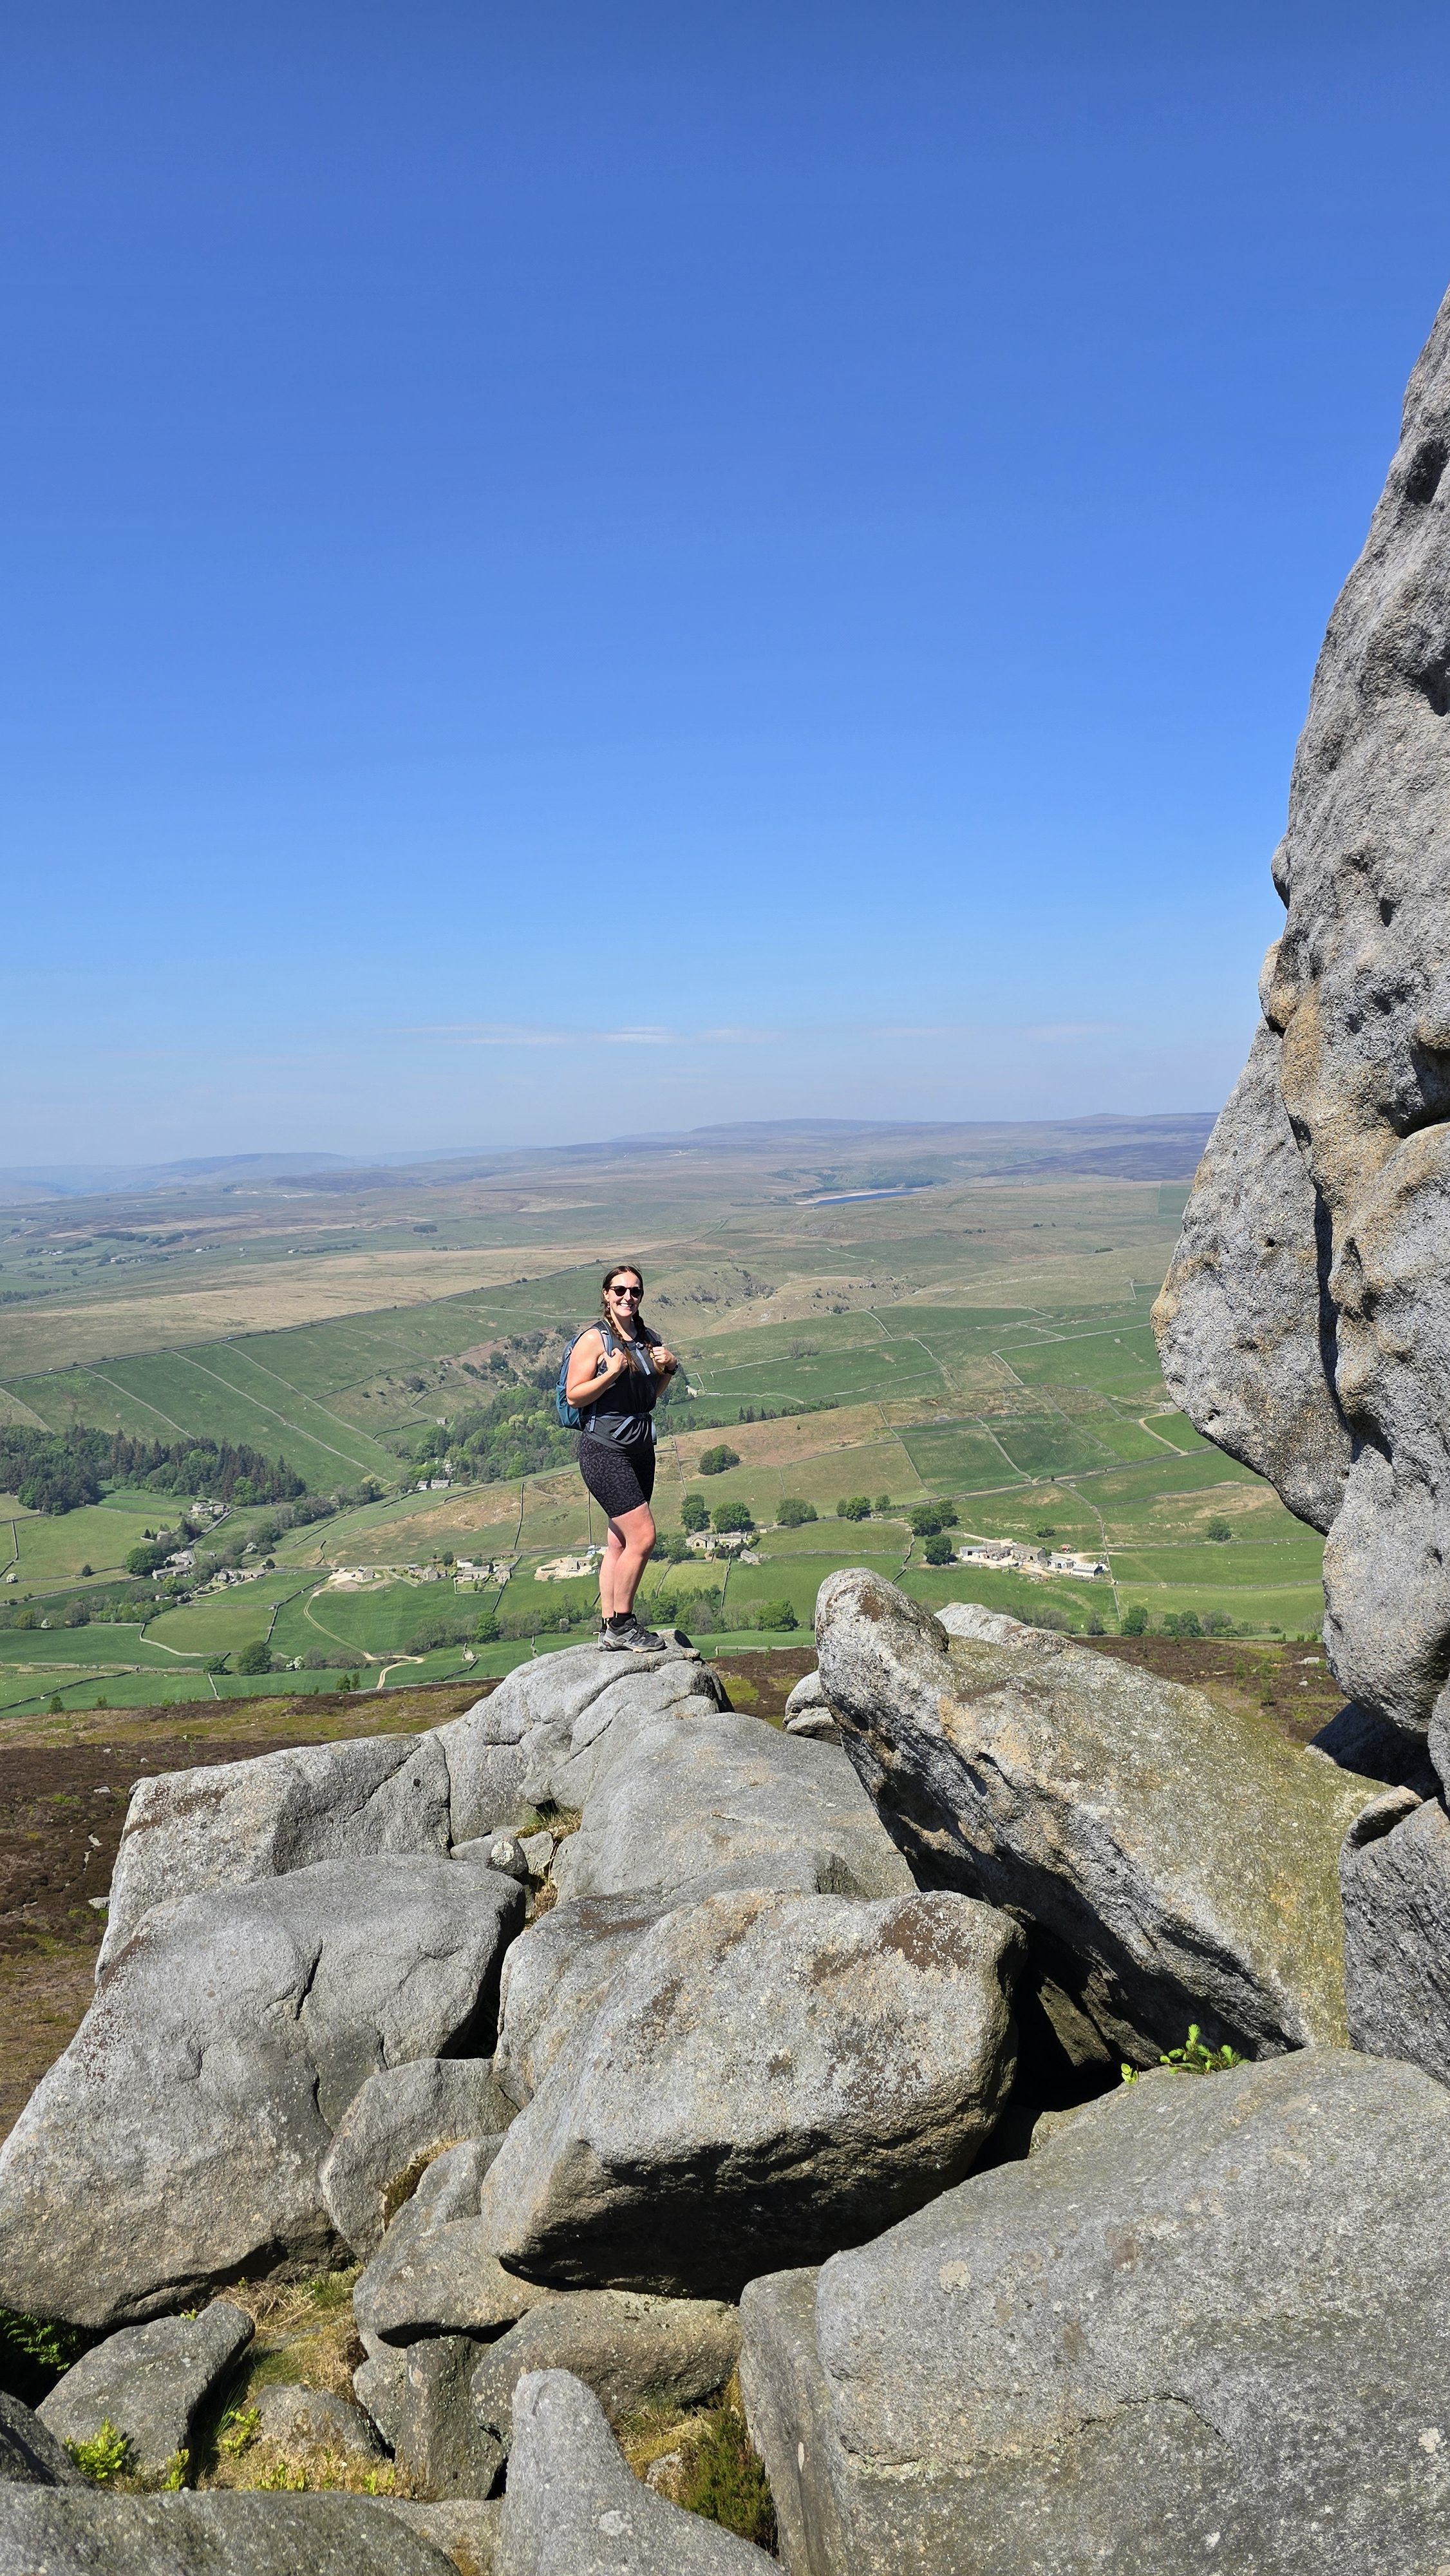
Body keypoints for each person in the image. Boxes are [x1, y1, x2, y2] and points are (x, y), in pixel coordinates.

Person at [565, 1262, 680, 1651]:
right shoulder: (595, 1340)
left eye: (635, 1291)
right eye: (619, 1291)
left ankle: (610, 1624)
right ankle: (624, 1626)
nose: (627, 1297)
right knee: (644, 1536)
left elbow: (652, 1395)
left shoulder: (648, 1337)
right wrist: (610, 1374)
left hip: (640, 1448)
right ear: (606, 1295)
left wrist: (670, 1369)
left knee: (619, 1541)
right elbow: (574, 1395)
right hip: (604, 1450)